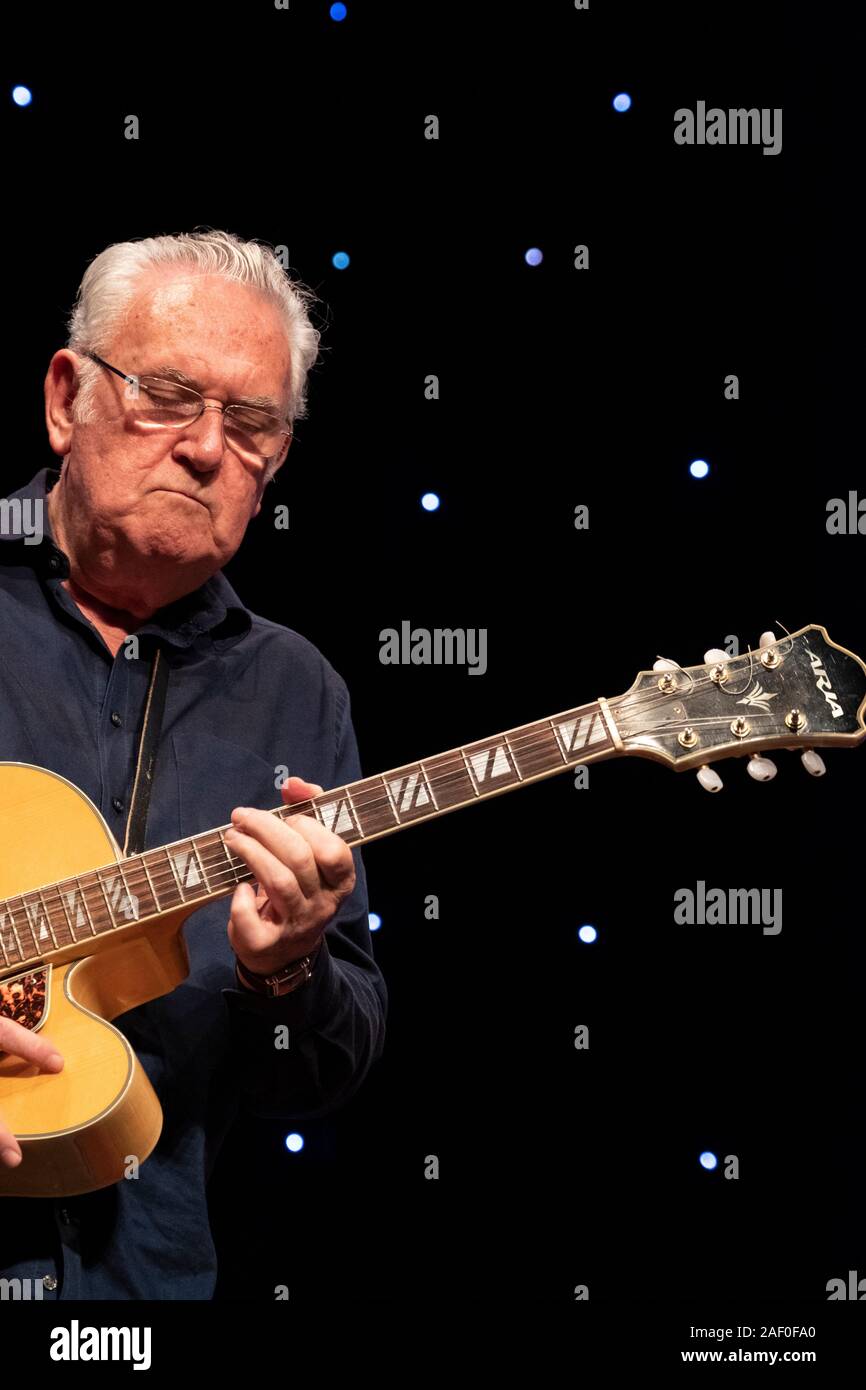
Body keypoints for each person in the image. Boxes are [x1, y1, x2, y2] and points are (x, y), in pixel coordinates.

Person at [0, 228, 388, 1299]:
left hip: (146, 1284)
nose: (208, 448)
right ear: (66, 397)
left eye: (251, 421)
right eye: (167, 395)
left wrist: (286, 968)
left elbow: (325, 1069)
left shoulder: (297, 689)